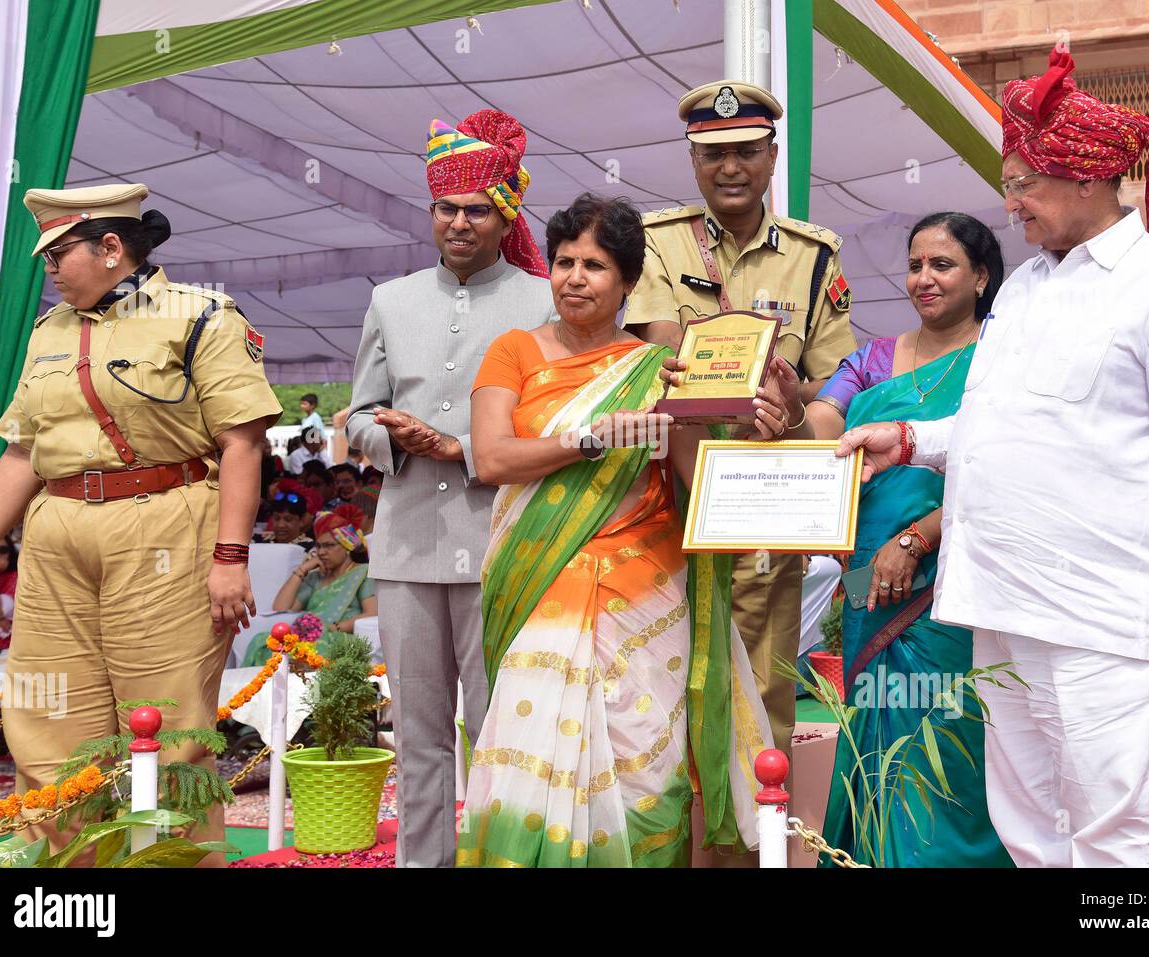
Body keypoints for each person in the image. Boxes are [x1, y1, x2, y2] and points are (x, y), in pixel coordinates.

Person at [832, 51, 1149, 867]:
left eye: (1024, 181)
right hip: (999, 604)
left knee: (1112, 829)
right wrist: (911, 439)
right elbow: (998, 428)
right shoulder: (1023, 287)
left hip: (1103, 616)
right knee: (1026, 825)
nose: (1010, 200)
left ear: (1086, 176)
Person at [458, 193, 784, 867]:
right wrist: (588, 438)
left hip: (649, 596)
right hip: (541, 585)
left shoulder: (656, 367)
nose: (575, 277)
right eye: (564, 262)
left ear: (629, 281)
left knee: (644, 767)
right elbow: (491, 458)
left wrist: (725, 416)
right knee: (533, 758)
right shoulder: (513, 351)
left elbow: (698, 484)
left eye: (595, 265)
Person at [0, 183, 280, 857]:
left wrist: (231, 557)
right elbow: (24, 449)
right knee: (46, 724)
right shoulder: (49, 330)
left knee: (166, 732)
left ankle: (168, 860)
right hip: (56, 535)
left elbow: (242, 443)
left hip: (166, 527)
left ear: (112, 247)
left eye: (60, 251)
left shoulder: (201, 315)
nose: (47, 266)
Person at [622, 81, 859, 770]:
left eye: (746, 151)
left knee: (764, 681)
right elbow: (662, 353)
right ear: (693, 160)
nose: (730, 167)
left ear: (772, 156)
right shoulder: (658, 243)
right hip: (675, 494)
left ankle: (762, 839)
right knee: (663, 676)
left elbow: (835, 381)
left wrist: (793, 409)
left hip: (765, 491)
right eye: (713, 153)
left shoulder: (815, 257)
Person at [346, 109, 555, 868]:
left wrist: (461, 448)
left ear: (506, 216)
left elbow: (551, 430)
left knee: (501, 728)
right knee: (418, 735)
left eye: (476, 209)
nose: (459, 223)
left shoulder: (541, 303)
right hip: (404, 545)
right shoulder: (390, 300)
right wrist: (391, 440)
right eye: (446, 208)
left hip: (502, 543)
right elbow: (356, 415)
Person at [793, 212, 1012, 867]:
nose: (923, 278)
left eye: (941, 265)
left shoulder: (1000, 361)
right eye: (915, 264)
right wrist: (785, 402)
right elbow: (821, 427)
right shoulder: (870, 359)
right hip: (865, 579)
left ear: (980, 277)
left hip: (955, 580)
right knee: (873, 718)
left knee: (946, 731)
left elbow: (999, 464)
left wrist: (918, 538)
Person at [243, 505, 376, 667]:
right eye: (319, 546)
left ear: (347, 547)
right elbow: (280, 607)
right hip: (307, 635)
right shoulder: (316, 577)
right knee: (261, 642)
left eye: (328, 546)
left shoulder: (362, 573)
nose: (320, 552)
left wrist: (333, 628)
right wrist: (303, 569)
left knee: (315, 647)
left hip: (340, 636)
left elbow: (372, 613)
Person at [254, 479, 319, 549]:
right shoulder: (258, 541)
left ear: (302, 521)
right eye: (276, 519)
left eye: (288, 519)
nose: (281, 525)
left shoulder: (311, 548)